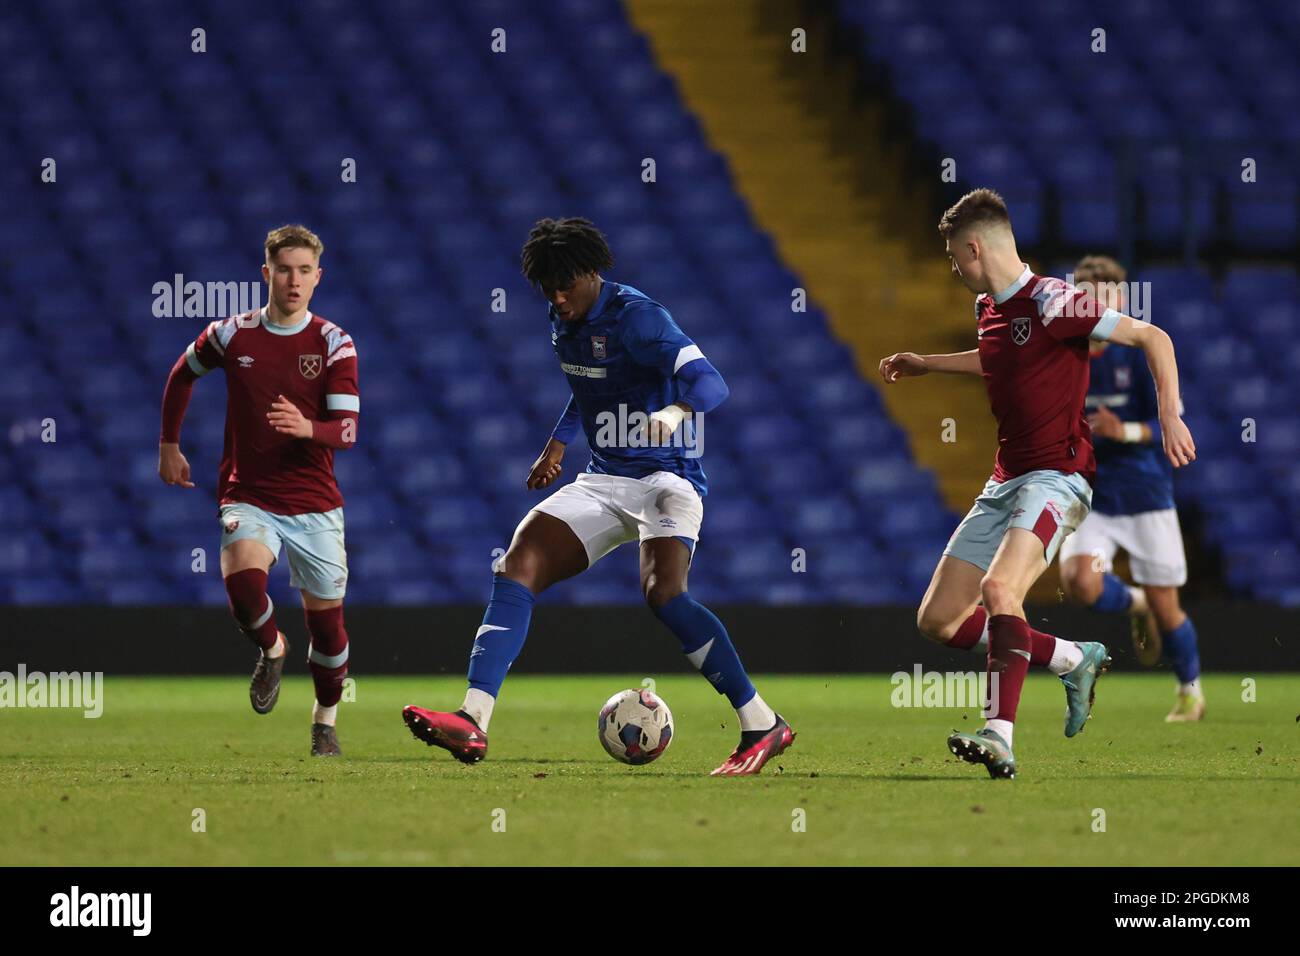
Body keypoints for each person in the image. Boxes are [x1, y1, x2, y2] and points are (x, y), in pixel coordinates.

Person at [402, 217, 794, 775]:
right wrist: (557, 445)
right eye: (548, 289)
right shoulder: (562, 317)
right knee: (518, 564)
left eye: (566, 285)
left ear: (591, 273)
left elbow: (713, 382)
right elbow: (588, 385)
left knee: (665, 596)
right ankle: (472, 719)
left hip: (667, 477)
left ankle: (761, 722)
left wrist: (677, 411)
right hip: (603, 478)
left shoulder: (641, 319)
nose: (558, 298)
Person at [878, 189, 1195, 778]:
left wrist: (1170, 413)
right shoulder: (991, 310)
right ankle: (1073, 657)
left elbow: (1155, 338)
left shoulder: (1054, 301)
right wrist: (928, 363)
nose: (953, 269)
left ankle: (1000, 733)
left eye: (954, 258)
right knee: (939, 620)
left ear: (975, 247)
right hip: (1006, 479)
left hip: (1058, 478)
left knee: (1002, 592)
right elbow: (997, 359)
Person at [159, 224, 359, 757]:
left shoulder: (334, 343)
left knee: (331, 633)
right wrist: (169, 445)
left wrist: (306, 429)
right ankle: (273, 648)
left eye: (304, 271)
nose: (294, 280)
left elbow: (346, 431)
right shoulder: (231, 335)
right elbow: (182, 374)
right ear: (266, 273)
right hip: (248, 494)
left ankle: (324, 723)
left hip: (315, 504)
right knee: (245, 590)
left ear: (318, 277)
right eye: (284, 270)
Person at [1058, 255, 1204, 721]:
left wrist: (1125, 432)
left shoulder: (1139, 353)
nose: (1099, 306)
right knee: (1081, 581)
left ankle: (1190, 690)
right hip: (1093, 495)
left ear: (1120, 301)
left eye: (1108, 297)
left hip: (1144, 493)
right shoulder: (1065, 355)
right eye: (1089, 298)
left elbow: (1166, 424)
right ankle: (1133, 599)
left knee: (1168, 608)